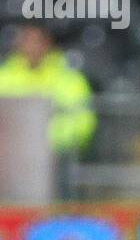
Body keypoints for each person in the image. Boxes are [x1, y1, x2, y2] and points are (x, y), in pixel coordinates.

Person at [0, 24, 95, 155]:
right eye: (27, 40)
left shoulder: (70, 80)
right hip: (8, 156)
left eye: (37, 41)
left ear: (47, 43)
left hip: (57, 158)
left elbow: (83, 121)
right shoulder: (3, 77)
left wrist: (46, 140)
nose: (32, 46)